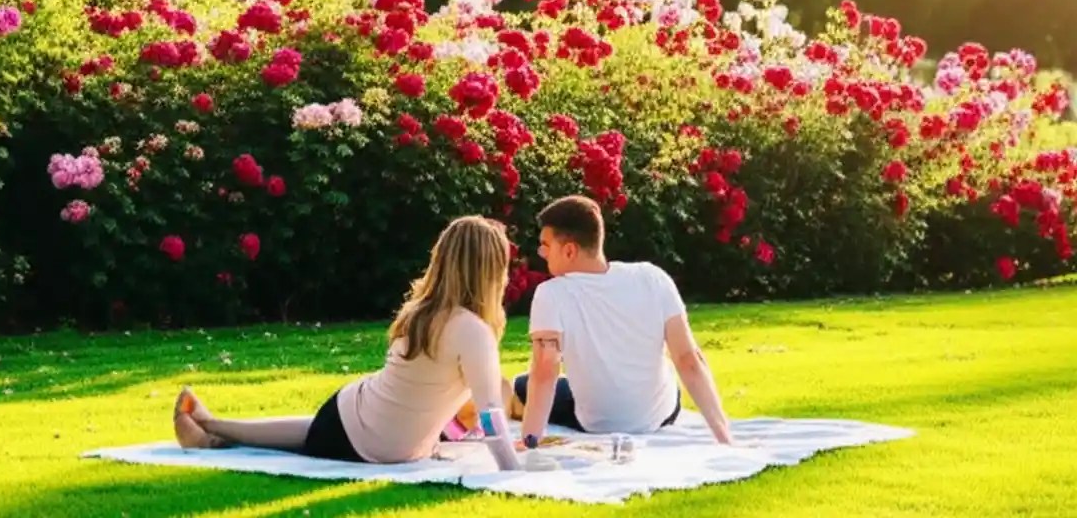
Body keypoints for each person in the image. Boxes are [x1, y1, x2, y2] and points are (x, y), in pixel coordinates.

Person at [172, 215, 521, 470]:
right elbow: (490, 411)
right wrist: (512, 471)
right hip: (363, 432)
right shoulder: (472, 329)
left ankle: (213, 427)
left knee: (310, 433)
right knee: (309, 436)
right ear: (490, 270)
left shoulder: (424, 313)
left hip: (356, 421)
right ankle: (212, 429)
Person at [511, 195, 733, 446]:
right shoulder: (652, 277)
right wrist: (724, 437)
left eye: (546, 246)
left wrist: (529, 442)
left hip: (597, 423)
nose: (542, 253)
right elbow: (689, 359)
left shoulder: (551, 294)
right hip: (660, 414)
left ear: (569, 250)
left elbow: (544, 371)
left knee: (522, 384)